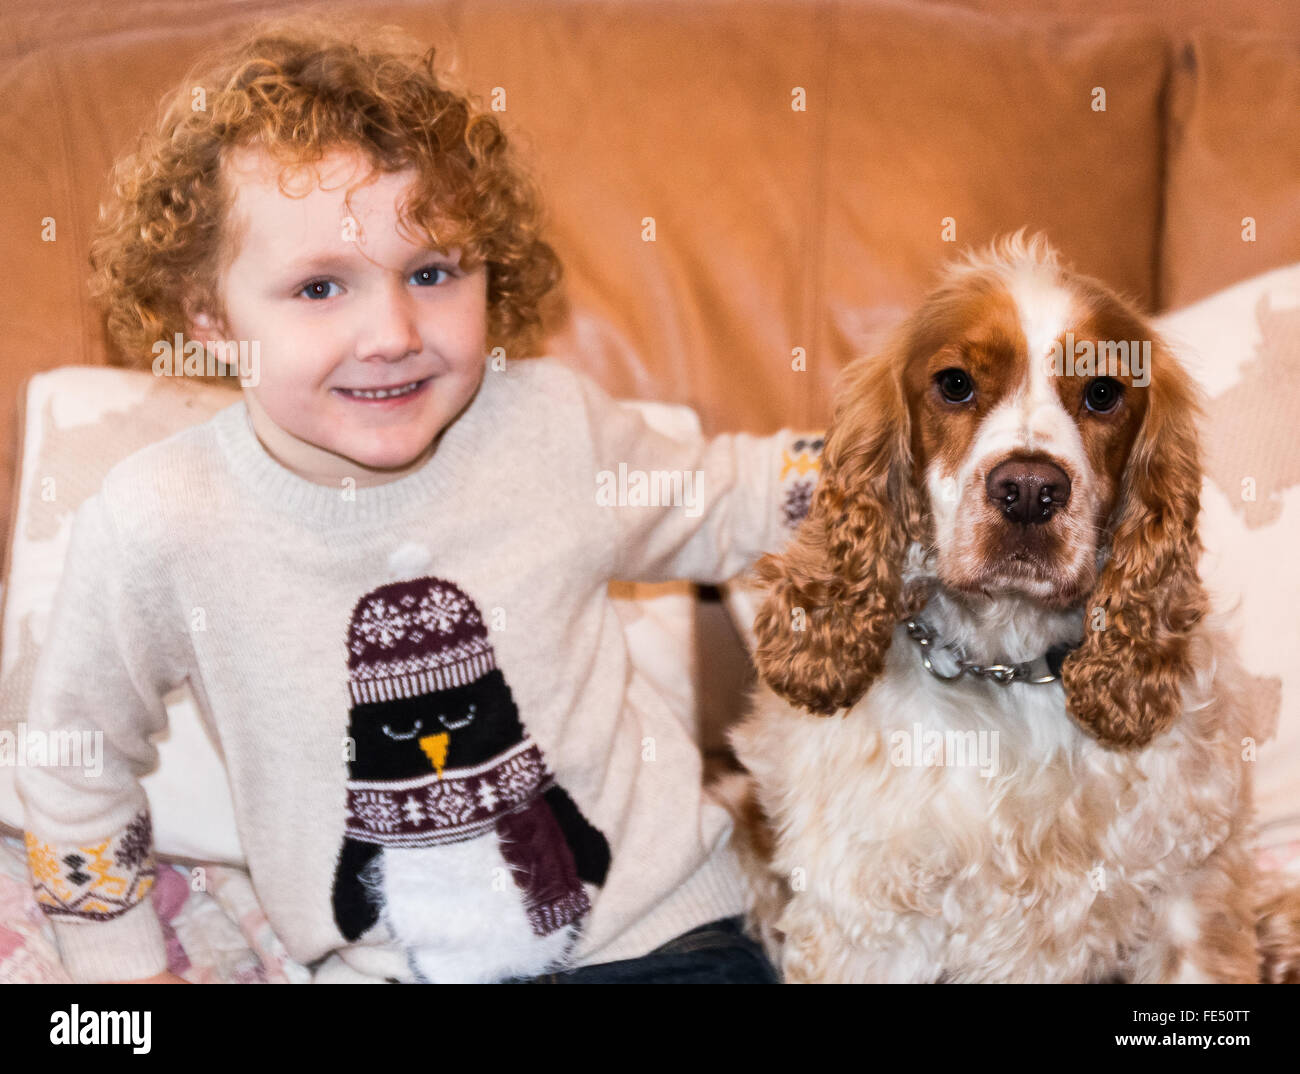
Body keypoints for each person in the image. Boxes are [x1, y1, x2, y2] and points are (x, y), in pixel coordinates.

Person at [16, 18, 816, 984]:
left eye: (433, 273)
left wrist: (920, 467)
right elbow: (73, 758)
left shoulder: (549, 427)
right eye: (320, 288)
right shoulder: (162, 518)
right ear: (212, 321)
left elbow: (731, 499)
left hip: (661, 942)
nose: (391, 331)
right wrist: (125, 979)